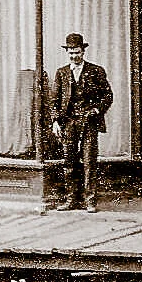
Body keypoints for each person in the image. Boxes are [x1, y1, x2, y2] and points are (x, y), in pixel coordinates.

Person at [50, 32, 113, 213]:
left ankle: (90, 200)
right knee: (69, 161)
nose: (74, 56)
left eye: (77, 52)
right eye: (70, 53)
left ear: (83, 51)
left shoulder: (96, 71)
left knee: (89, 162)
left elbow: (108, 95)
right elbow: (54, 100)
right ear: (67, 53)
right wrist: (55, 121)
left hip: (89, 123)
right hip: (68, 123)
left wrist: (97, 110)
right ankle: (71, 199)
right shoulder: (62, 73)